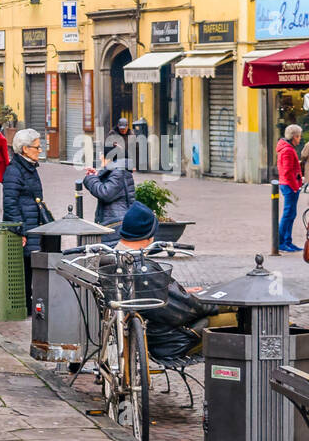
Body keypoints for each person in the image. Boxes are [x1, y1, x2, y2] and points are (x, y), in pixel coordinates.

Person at [105, 201, 224, 363]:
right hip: (168, 341)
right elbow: (184, 310)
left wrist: (179, 292)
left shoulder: (111, 260)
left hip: (148, 333)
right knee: (234, 319)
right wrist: (217, 302)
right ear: (150, 235)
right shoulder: (143, 269)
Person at [2, 128, 49, 312]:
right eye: (36, 147)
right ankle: (22, 305)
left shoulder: (29, 168)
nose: (40, 151)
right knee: (23, 269)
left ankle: (28, 305)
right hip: (24, 227)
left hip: (32, 225)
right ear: (24, 149)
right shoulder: (14, 171)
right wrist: (19, 230)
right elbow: (10, 204)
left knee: (30, 266)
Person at [83, 144, 136, 228]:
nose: (100, 157)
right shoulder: (117, 170)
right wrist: (97, 176)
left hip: (116, 223)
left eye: (101, 154)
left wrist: (90, 179)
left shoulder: (119, 172)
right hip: (115, 220)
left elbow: (105, 193)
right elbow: (110, 185)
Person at [276, 124, 304, 252]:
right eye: (299, 136)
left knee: (291, 214)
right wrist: (294, 187)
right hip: (289, 185)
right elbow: (287, 171)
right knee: (288, 214)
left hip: (289, 184)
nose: (300, 139)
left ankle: (287, 241)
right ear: (294, 136)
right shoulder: (287, 150)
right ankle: (280, 242)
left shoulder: (288, 148)